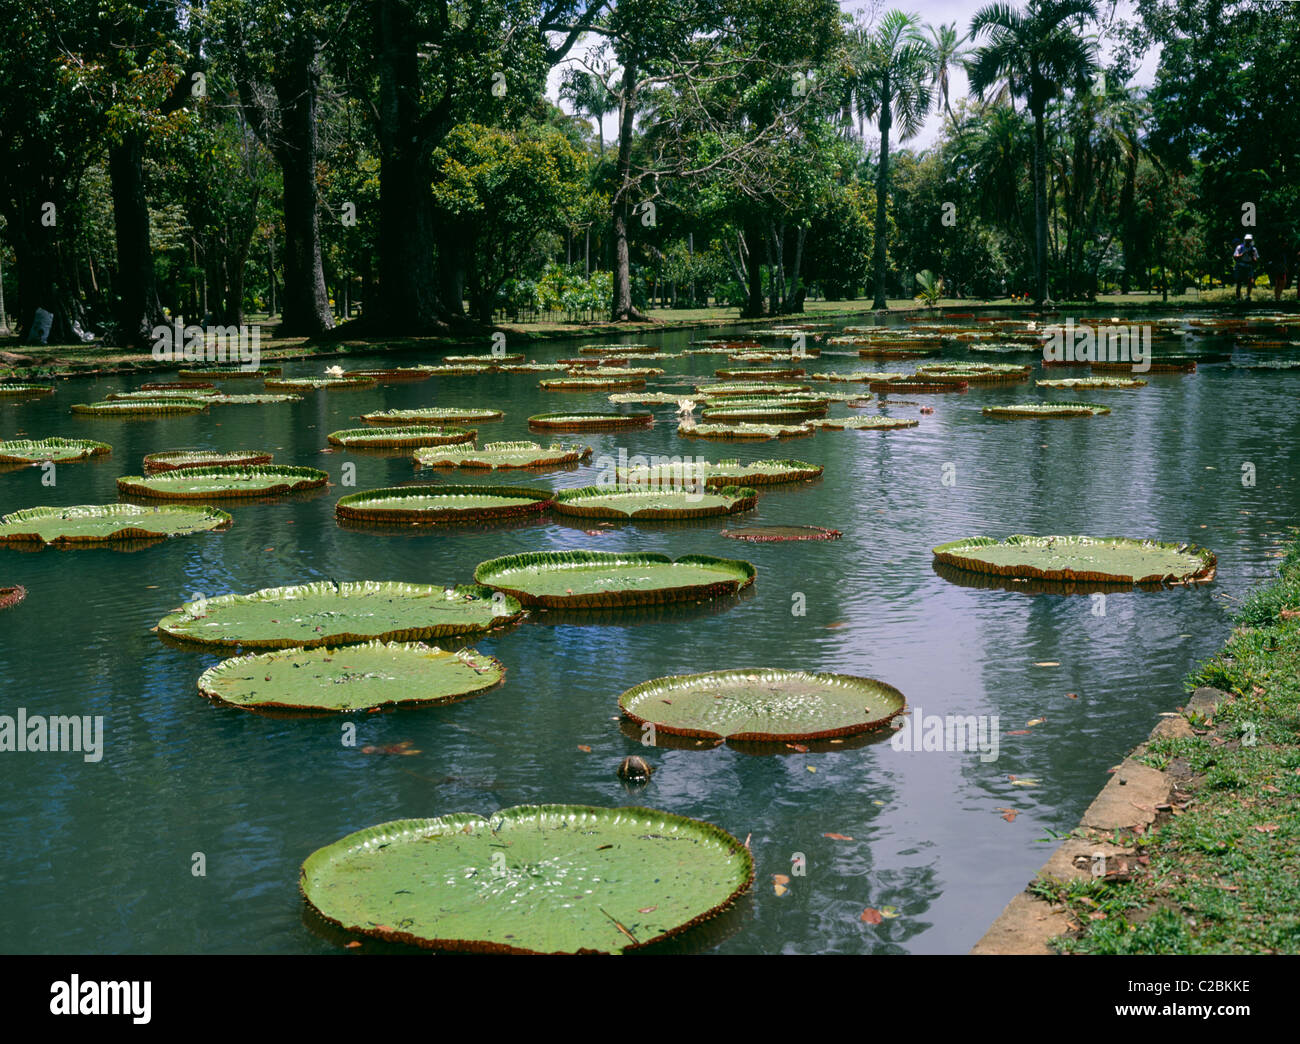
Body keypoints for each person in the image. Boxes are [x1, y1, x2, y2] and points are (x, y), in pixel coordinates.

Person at [1234, 233, 1259, 300]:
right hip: (1240, 265)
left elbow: (1256, 260)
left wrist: (1251, 255)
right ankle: (1238, 297)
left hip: (1249, 266)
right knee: (1239, 282)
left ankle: (1248, 296)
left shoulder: (1253, 249)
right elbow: (1235, 257)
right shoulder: (1239, 247)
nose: (1248, 241)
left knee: (1250, 281)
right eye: (1247, 240)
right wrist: (1243, 254)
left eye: (1249, 240)